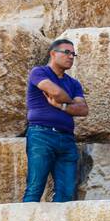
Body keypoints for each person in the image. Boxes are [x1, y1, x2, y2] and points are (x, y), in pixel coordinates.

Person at [23, 38, 87, 202]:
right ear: (53, 53)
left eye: (73, 54)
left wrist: (62, 107)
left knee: (66, 194)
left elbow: (84, 109)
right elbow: (56, 93)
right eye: (67, 52)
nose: (71, 56)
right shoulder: (39, 72)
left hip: (67, 139)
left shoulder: (74, 83)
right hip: (41, 136)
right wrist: (71, 101)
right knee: (35, 188)